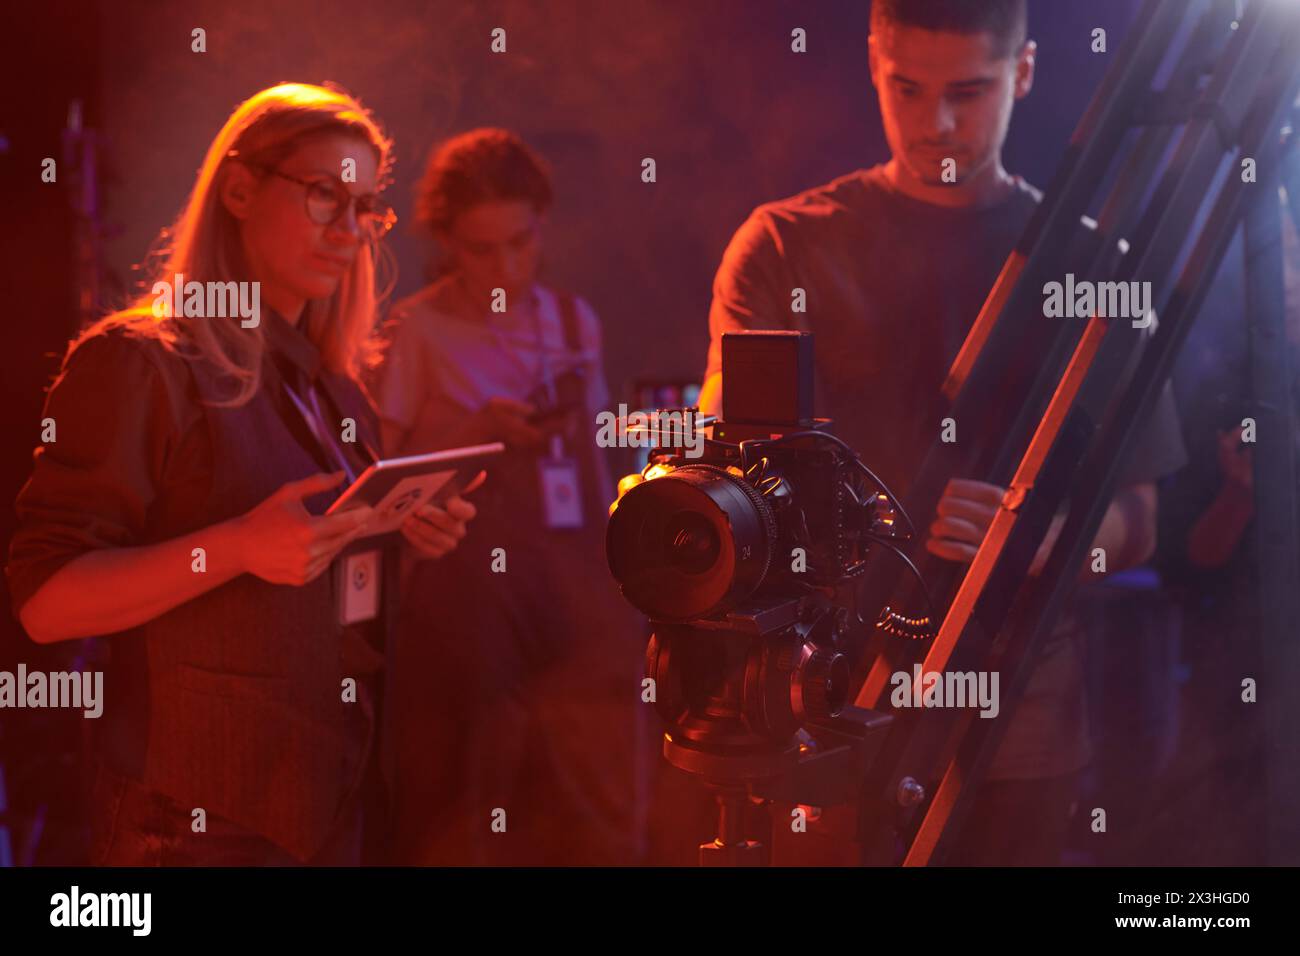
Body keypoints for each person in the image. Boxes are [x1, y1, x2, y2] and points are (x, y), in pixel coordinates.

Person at [697, 0, 1188, 865]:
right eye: (908, 89)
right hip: (827, 697)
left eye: (969, 90)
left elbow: (1138, 523)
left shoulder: (1089, 267)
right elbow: (726, 491)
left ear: (1024, 73)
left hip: (1016, 711)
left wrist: (1034, 539)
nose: (939, 123)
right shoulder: (783, 246)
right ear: (873, 67)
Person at [5, 82, 479, 866]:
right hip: (196, 827)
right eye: (326, 196)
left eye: (365, 209)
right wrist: (234, 548)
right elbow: (46, 604)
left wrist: (405, 538)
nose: (349, 231)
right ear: (239, 188)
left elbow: (333, 600)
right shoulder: (141, 363)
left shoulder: (333, 387)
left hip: (339, 803)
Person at [371, 128, 647, 865]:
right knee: (471, 786)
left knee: (581, 781)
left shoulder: (570, 321)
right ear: (446, 244)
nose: (503, 268)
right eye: (480, 250)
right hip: (460, 592)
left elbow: (592, 462)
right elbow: (374, 481)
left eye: (518, 245)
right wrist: (474, 432)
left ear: (541, 229)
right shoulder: (419, 331)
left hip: (562, 574)